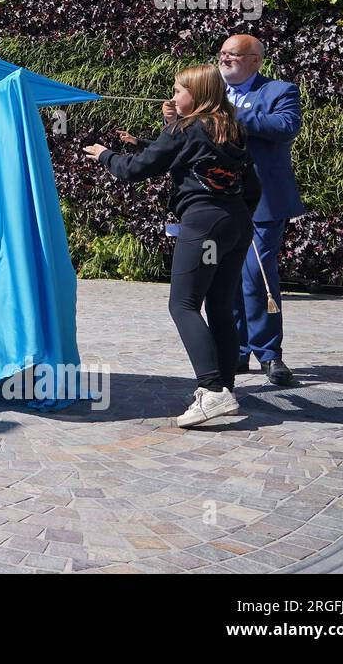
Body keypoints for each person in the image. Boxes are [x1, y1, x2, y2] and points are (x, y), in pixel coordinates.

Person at [83, 64, 260, 428]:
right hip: (237, 224)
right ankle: (225, 390)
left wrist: (105, 155)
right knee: (221, 308)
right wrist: (150, 141)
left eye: (179, 90)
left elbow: (135, 171)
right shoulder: (233, 129)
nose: (173, 97)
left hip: (203, 225)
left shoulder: (186, 128)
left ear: (197, 94)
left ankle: (211, 391)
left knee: (183, 305)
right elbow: (240, 180)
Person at [218, 34, 305, 386]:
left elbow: (286, 127)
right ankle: (237, 351)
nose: (224, 60)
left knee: (256, 274)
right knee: (229, 276)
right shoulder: (210, 90)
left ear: (255, 60)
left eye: (233, 55)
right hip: (221, 199)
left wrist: (235, 115)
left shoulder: (280, 90)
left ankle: (269, 354)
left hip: (265, 200)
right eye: (222, 53)